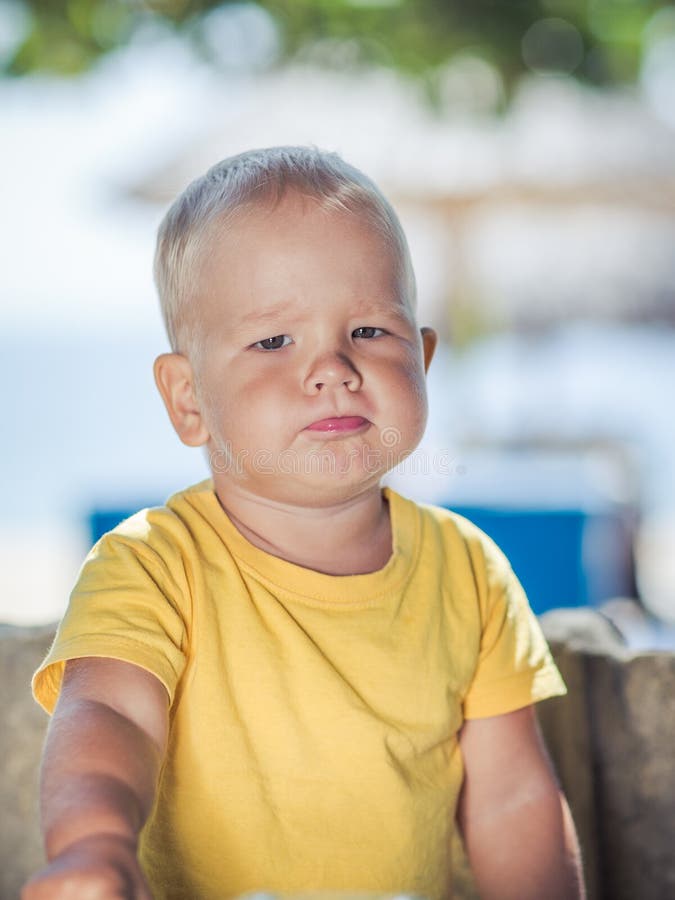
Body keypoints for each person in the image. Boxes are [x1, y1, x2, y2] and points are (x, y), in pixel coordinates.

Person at [24, 146, 585, 900]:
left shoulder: (469, 571)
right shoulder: (152, 565)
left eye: (370, 333)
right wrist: (93, 845)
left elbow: (513, 796)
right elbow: (112, 717)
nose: (331, 368)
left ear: (423, 358)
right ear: (187, 399)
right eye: (273, 341)